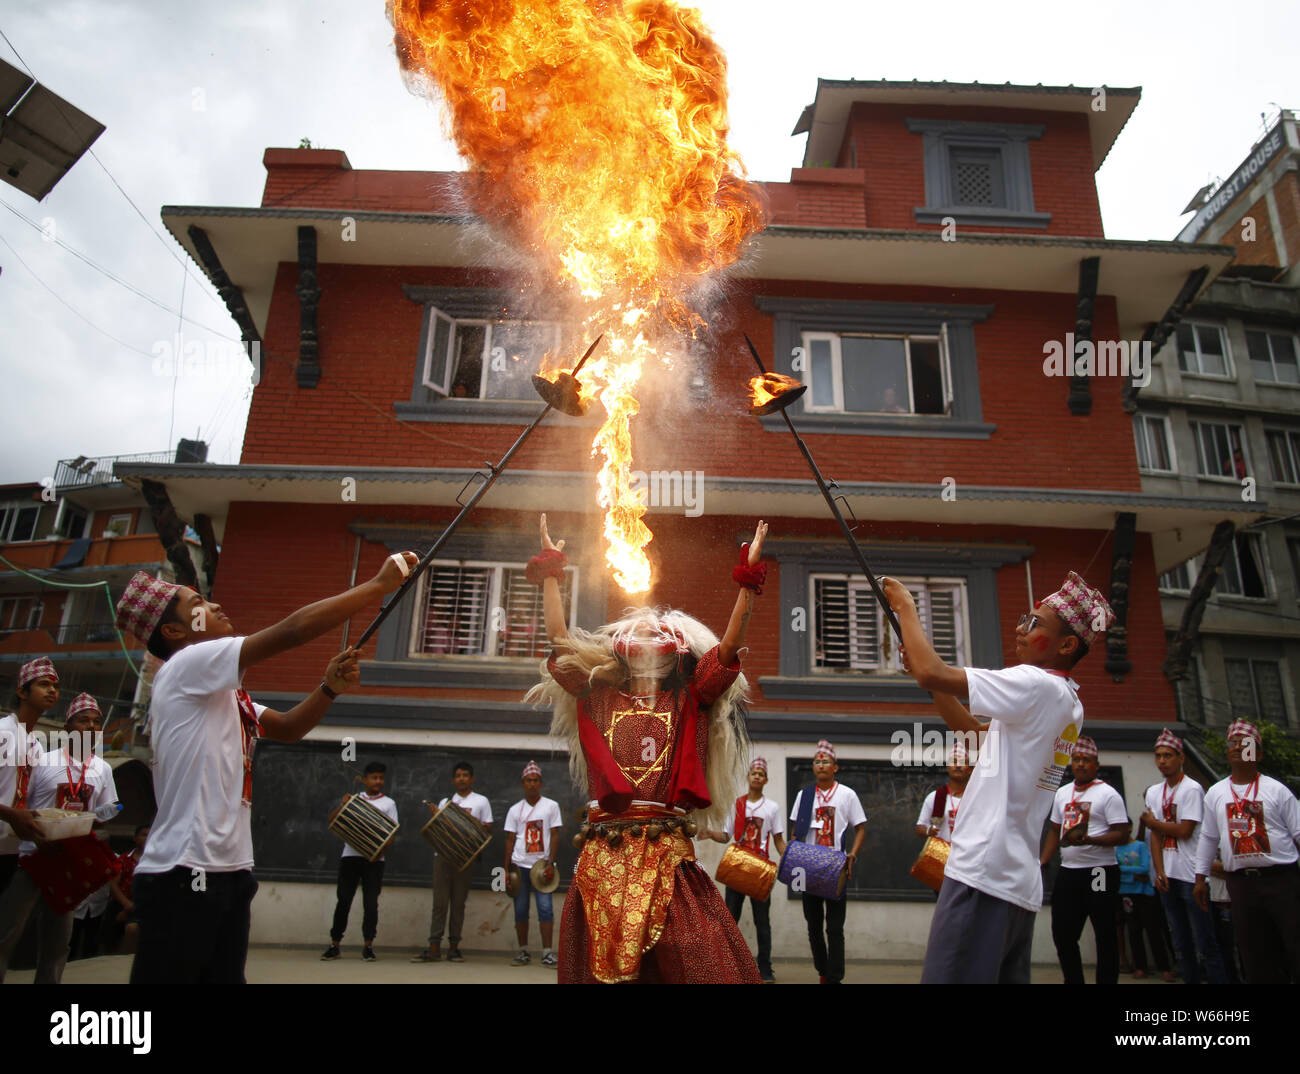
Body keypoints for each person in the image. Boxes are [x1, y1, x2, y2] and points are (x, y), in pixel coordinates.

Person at [114, 554, 414, 984]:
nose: (214, 606)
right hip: (183, 873)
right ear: (175, 632)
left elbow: (289, 728)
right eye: (197, 603)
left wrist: (329, 687)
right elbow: (292, 630)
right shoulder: (184, 666)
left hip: (230, 871)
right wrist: (376, 586)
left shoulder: (225, 696)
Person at [526, 514, 764, 984]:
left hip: (666, 855)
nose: (649, 644)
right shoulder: (597, 696)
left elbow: (731, 648)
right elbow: (559, 641)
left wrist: (747, 581)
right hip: (604, 853)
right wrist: (553, 572)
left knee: (693, 956)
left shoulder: (690, 698)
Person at [883, 570, 1114, 984]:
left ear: (1066, 644)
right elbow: (973, 734)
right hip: (1015, 883)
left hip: (982, 875)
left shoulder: (1035, 684)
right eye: (1025, 619)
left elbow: (932, 671)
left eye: (1035, 624)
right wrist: (929, 677)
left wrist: (906, 608)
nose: (1021, 629)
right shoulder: (1067, 701)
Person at [0, 692, 117, 983]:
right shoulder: (43, 760)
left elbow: (111, 809)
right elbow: (20, 802)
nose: (90, 727)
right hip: (33, 858)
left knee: (57, 944)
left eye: (96, 722)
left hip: (71, 864)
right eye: (83, 720)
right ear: (68, 728)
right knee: (6, 935)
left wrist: (92, 817)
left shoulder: (103, 769)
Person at [1194, 720, 1300, 983]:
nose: (1237, 747)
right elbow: (1208, 838)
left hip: (1282, 880)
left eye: (1246, 744)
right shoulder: (1216, 793)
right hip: (1241, 884)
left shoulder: (1277, 790)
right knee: (1253, 952)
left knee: (1294, 944)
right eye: (1232, 743)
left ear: (1258, 754)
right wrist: (1199, 878)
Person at [1039, 737, 1131, 984]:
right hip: (1069, 872)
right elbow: (1053, 831)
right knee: (1062, 932)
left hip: (1099, 871)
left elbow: (1123, 833)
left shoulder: (1107, 794)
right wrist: (1043, 861)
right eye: (1077, 759)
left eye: (1086, 760)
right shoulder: (1062, 794)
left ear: (1096, 765)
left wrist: (1091, 839)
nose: (1080, 764)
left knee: (1104, 931)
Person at [1141, 728, 1226, 985]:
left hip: (1192, 874)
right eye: (1158, 756)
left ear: (1181, 758)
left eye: (1168, 755)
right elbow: (1154, 835)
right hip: (1169, 874)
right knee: (1180, 944)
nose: (1162, 761)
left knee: (1205, 942)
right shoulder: (1155, 792)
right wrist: (1159, 871)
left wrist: (1153, 822)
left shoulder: (1192, 789)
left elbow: (1185, 830)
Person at [789, 740, 866, 985]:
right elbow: (795, 832)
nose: (820, 765)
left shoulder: (847, 795)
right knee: (813, 924)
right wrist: (794, 857)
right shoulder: (805, 795)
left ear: (835, 767)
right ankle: (823, 969)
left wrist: (852, 854)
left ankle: (834, 977)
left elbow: (861, 828)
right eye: (817, 761)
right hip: (808, 863)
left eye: (825, 762)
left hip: (835, 863)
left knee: (834, 926)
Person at [412, 761, 493, 964]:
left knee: (458, 904)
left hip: (465, 859)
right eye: (458, 775)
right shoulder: (445, 802)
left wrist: (465, 822)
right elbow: (439, 829)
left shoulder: (481, 801)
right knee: (439, 904)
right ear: (453, 780)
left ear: (472, 779)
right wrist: (439, 816)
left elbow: (488, 829)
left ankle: (454, 948)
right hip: (442, 857)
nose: (462, 778)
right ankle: (434, 947)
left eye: (465, 775)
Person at [713, 757, 786, 983]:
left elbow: (778, 841)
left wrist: (793, 858)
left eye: (761, 774)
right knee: (730, 918)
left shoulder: (772, 808)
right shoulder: (737, 805)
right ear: (748, 777)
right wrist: (707, 833)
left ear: (766, 780)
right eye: (753, 772)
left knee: (761, 921)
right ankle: (728, 966)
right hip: (737, 866)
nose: (756, 776)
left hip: (760, 870)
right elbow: (726, 836)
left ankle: (765, 969)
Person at [322, 761, 397, 963]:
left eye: (381, 777)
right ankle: (335, 944)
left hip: (375, 860)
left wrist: (376, 853)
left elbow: (391, 835)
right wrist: (342, 805)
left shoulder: (389, 803)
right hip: (350, 857)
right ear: (364, 780)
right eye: (374, 777)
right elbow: (332, 821)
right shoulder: (353, 800)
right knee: (343, 901)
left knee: (371, 904)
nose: (377, 781)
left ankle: (368, 946)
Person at [0, 657, 59, 894]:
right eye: (44, 684)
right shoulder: (3, 732)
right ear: (22, 692)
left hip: (10, 849)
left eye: (55, 686)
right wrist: (11, 815)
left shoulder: (35, 744)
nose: (52, 690)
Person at [502, 760, 562, 967]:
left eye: (536, 780)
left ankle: (547, 952)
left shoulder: (551, 806)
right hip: (519, 866)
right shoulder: (514, 810)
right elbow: (509, 840)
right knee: (520, 909)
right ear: (522, 783)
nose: (532, 784)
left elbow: (555, 836)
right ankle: (523, 951)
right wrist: (506, 870)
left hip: (541, 866)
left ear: (541, 783)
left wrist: (550, 863)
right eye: (528, 780)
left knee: (545, 909)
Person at [1117, 821, 1174, 981]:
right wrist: (1131, 874)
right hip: (1126, 894)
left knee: (1153, 931)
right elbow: (1115, 870)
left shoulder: (1140, 846)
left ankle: (1164, 967)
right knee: (1134, 932)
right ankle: (1140, 966)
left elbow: (1144, 868)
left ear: (1129, 828)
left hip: (1145, 894)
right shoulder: (1116, 849)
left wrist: (1125, 871)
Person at [914, 741, 972, 841]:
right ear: (947, 767)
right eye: (954, 761)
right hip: (940, 854)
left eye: (963, 762)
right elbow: (920, 827)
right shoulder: (935, 797)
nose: (958, 765)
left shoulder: (976, 798)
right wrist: (928, 831)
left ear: (970, 769)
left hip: (968, 854)